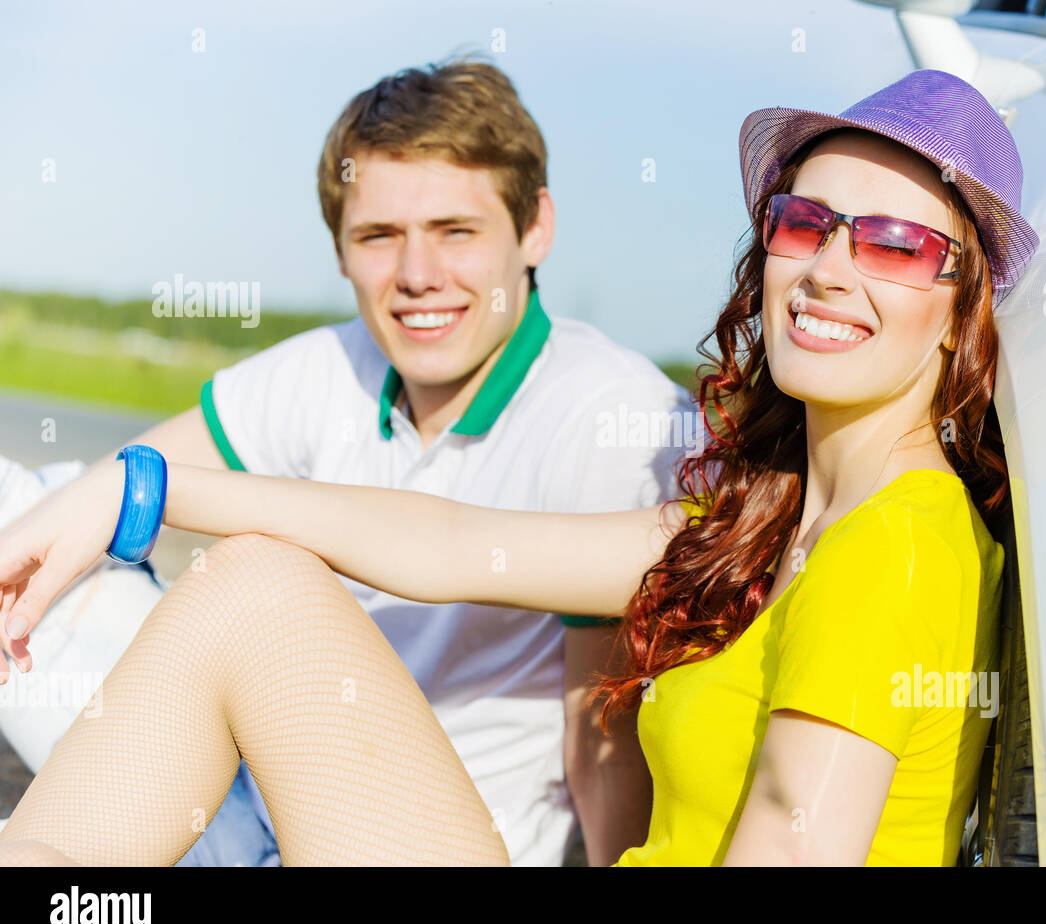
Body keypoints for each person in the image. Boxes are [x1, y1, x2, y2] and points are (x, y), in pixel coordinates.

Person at [0, 69, 1039, 866]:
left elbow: (792, 839)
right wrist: (141, 487)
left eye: (896, 245)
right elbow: (448, 541)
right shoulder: (763, 522)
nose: (828, 266)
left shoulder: (896, 544)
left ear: (960, 312)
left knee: (249, 594)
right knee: (253, 580)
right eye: (803, 222)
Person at [0, 57, 695, 867]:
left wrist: (133, 489)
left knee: (254, 574)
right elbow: (98, 489)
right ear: (338, 247)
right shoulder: (331, 364)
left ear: (535, 227)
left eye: (455, 232)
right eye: (379, 236)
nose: (417, 277)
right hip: (250, 801)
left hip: (402, 836)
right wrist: (108, 495)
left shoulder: (614, 415)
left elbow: (603, 746)